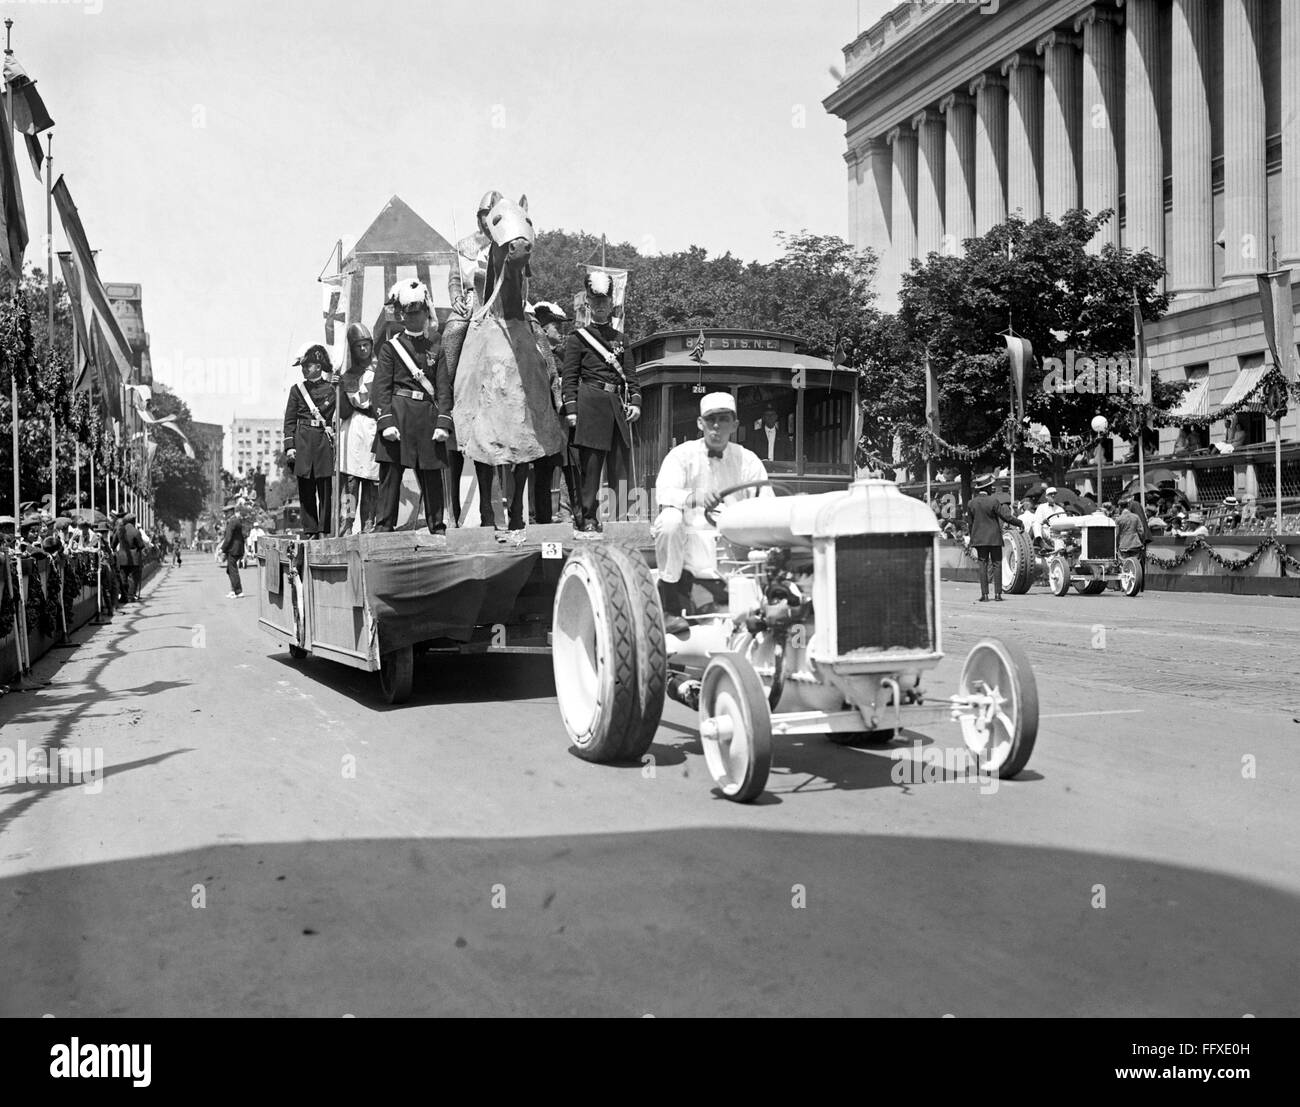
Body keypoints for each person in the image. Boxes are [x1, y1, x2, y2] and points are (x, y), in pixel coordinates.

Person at [652, 392, 770, 633]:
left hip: (734, 548)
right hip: (690, 547)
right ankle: (669, 605)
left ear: (735, 425)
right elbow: (664, 493)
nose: (716, 426)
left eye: (724, 419)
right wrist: (693, 497)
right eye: (710, 419)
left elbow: (766, 502)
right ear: (700, 423)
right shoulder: (681, 455)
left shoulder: (748, 460)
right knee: (669, 520)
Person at [372, 279, 453, 545]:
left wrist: (443, 422)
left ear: (425, 313)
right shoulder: (390, 348)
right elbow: (381, 389)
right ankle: (384, 525)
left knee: (432, 475)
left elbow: (443, 389)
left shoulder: (436, 348)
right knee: (390, 474)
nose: (414, 317)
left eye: (418, 312)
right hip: (399, 415)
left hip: (427, 418)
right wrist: (386, 421)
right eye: (409, 313)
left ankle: (437, 526)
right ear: (401, 315)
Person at [561, 270, 641, 536]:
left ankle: (620, 518)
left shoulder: (621, 340)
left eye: (604, 302)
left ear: (610, 304)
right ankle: (588, 518)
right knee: (591, 468)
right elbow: (569, 377)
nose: (600, 307)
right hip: (591, 405)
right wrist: (572, 409)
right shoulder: (578, 339)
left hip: (616, 407)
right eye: (596, 302)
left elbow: (631, 376)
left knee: (620, 467)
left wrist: (636, 402)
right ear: (588, 304)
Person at [283, 342, 338, 540]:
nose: (304, 369)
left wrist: (339, 386)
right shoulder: (297, 390)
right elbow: (289, 420)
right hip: (303, 442)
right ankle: (311, 530)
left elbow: (339, 412)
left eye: (308, 365)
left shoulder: (332, 388)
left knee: (325, 489)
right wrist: (290, 447)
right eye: (303, 366)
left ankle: (324, 530)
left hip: (323, 440)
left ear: (318, 366)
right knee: (306, 489)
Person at [338, 322, 382, 533]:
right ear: (353, 349)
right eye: (358, 346)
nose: (363, 349)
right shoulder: (347, 376)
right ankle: (346, 522)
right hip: (353, 428)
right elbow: (344, 412)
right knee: (351, 481)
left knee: (372, 479)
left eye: (366, 344)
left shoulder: (381, 370)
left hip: (373, 427)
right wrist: (339, 388)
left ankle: (368, 522)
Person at [966, 474, 1024, 602]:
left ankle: (985, 595)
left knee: (983, 565)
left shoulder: (971, 503)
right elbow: (1006, 517)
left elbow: (970, 524)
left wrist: (972, 539)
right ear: (987, 488)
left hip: (979, 539)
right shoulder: (994, 501)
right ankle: (998, 594)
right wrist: (1019, 523)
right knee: (997, 564)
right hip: (994, 538)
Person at [1114, 498, 1148, 595]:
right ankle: (1135, 585)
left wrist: (1116, 545)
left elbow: (1116, 534)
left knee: (1123, 566)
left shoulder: (1119, 519)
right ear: (1128, 506)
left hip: (1123, 545)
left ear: (1120, 507)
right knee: (1135, 566)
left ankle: (1124, 586)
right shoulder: (1135, 517)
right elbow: (1141, 531)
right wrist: (1141, 541)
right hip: (1135, 544)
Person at [116, 512, 146, 603]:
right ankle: (130, 596)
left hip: (122, 558)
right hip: (135, 559)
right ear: (133, 521)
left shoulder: (119, 530)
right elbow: (141, 545)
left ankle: (124, 596)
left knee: (123, 578)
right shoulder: (136, 531)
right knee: (133, 578)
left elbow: (113, 543)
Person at [220, 504, 246, 598]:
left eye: (226, 512)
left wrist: (223, 549)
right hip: (238, 548)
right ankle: (233, 590)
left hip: (233, 549)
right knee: (229, 570)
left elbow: (228, 538)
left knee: (233, 571)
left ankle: (238, 591)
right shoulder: (237, 521)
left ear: (231, 512)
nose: (225, 514)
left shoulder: (232, 522)